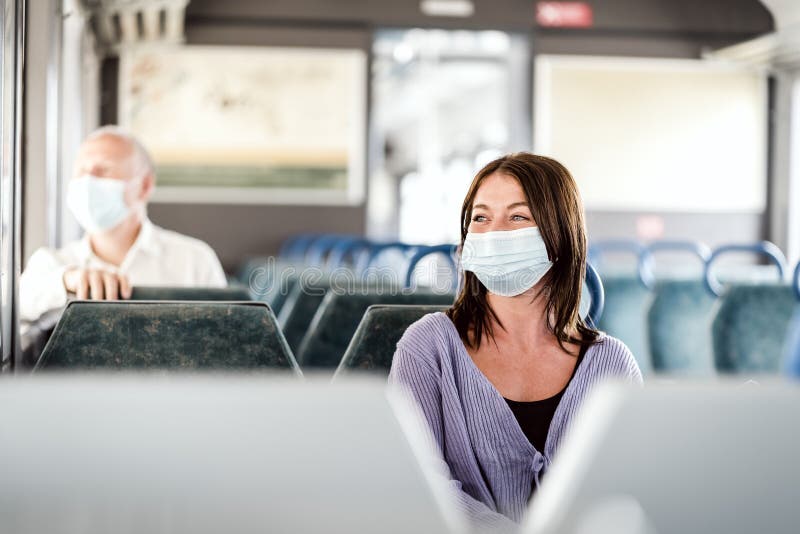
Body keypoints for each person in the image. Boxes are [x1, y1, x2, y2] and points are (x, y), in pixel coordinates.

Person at [388, 153, 642, 531]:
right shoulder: (427, 348)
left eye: (518, 216)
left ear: (559, 235)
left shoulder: (613, 364)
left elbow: (631, 489)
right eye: (481, 218)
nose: (493, 233)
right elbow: (415, 487)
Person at [20, 125, 227, 323]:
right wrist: (67, 281)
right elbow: (17, 304)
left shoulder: (195, 261)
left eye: (103, 170)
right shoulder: (52, 264)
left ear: (144, 186)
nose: (88, 183)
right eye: (81, 171)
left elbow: (228, 338)